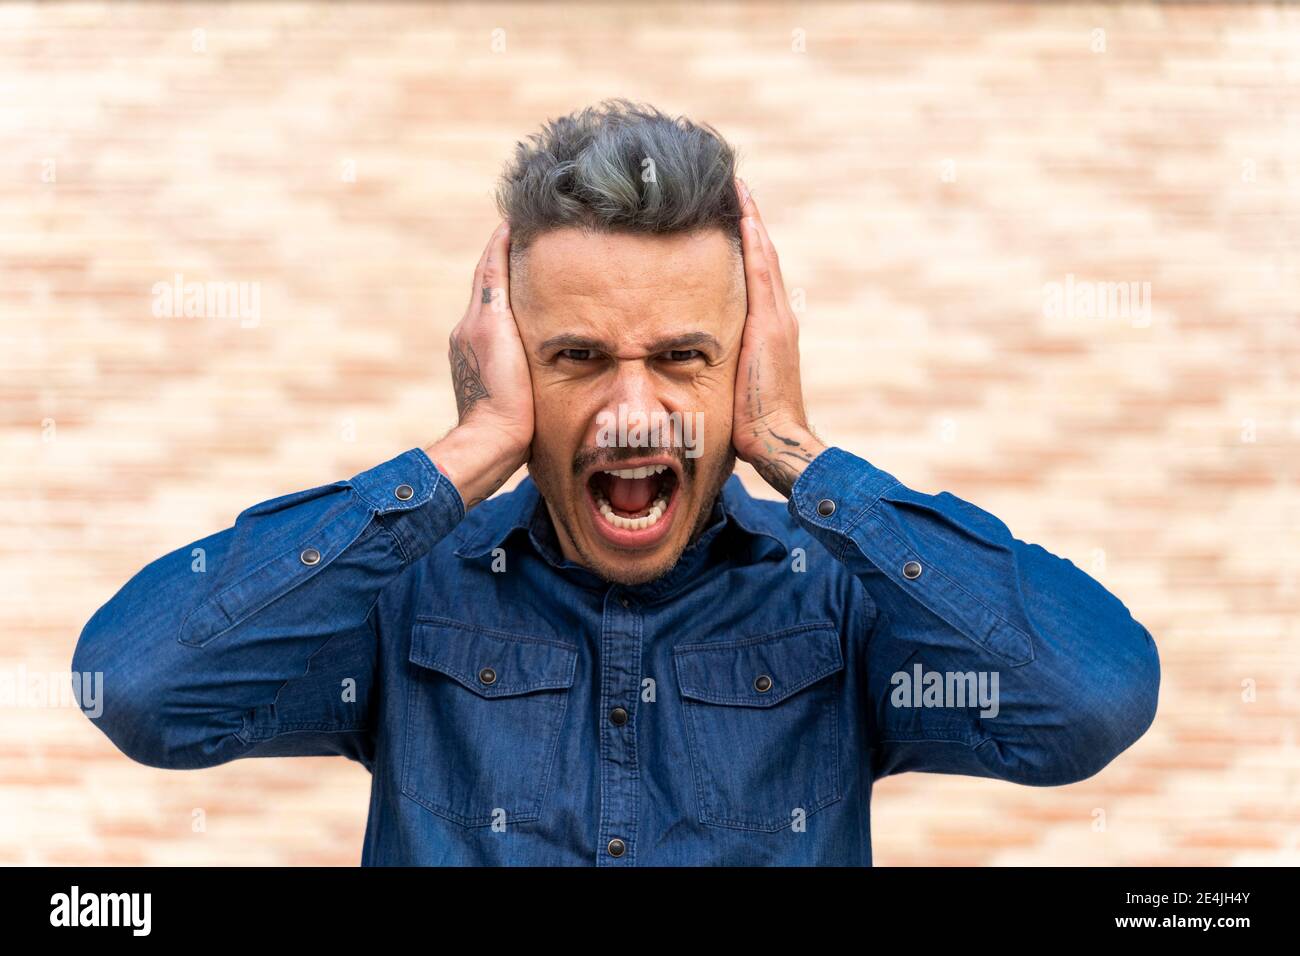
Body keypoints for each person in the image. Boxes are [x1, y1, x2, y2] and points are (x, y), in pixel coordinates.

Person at [72, 100, 1160, 866]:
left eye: (683, 355)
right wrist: (463, 453)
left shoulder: (834, 598)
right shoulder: (405, 592)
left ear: (748, 359)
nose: (632, 411)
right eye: (577, 357)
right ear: (509, 366)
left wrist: (794, 447)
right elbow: (137, 685)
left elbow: (1091, 698)